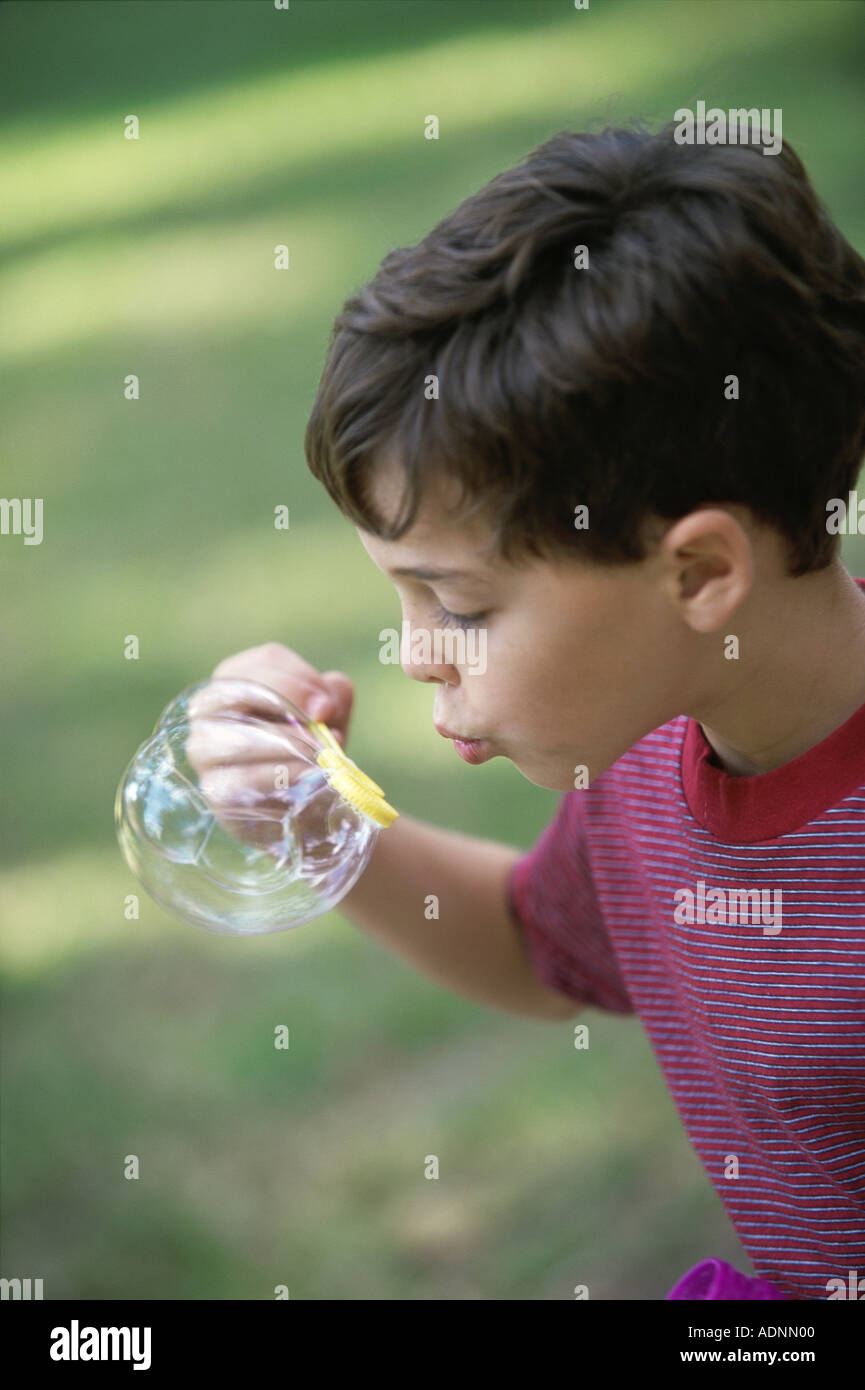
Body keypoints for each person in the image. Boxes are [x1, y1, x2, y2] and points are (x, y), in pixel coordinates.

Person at [200, 121, 865, 1299]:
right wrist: (321, 824)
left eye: (458, 603)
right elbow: (541, 945)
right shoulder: (650, 755)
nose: (414, 655)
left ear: (699, 574)